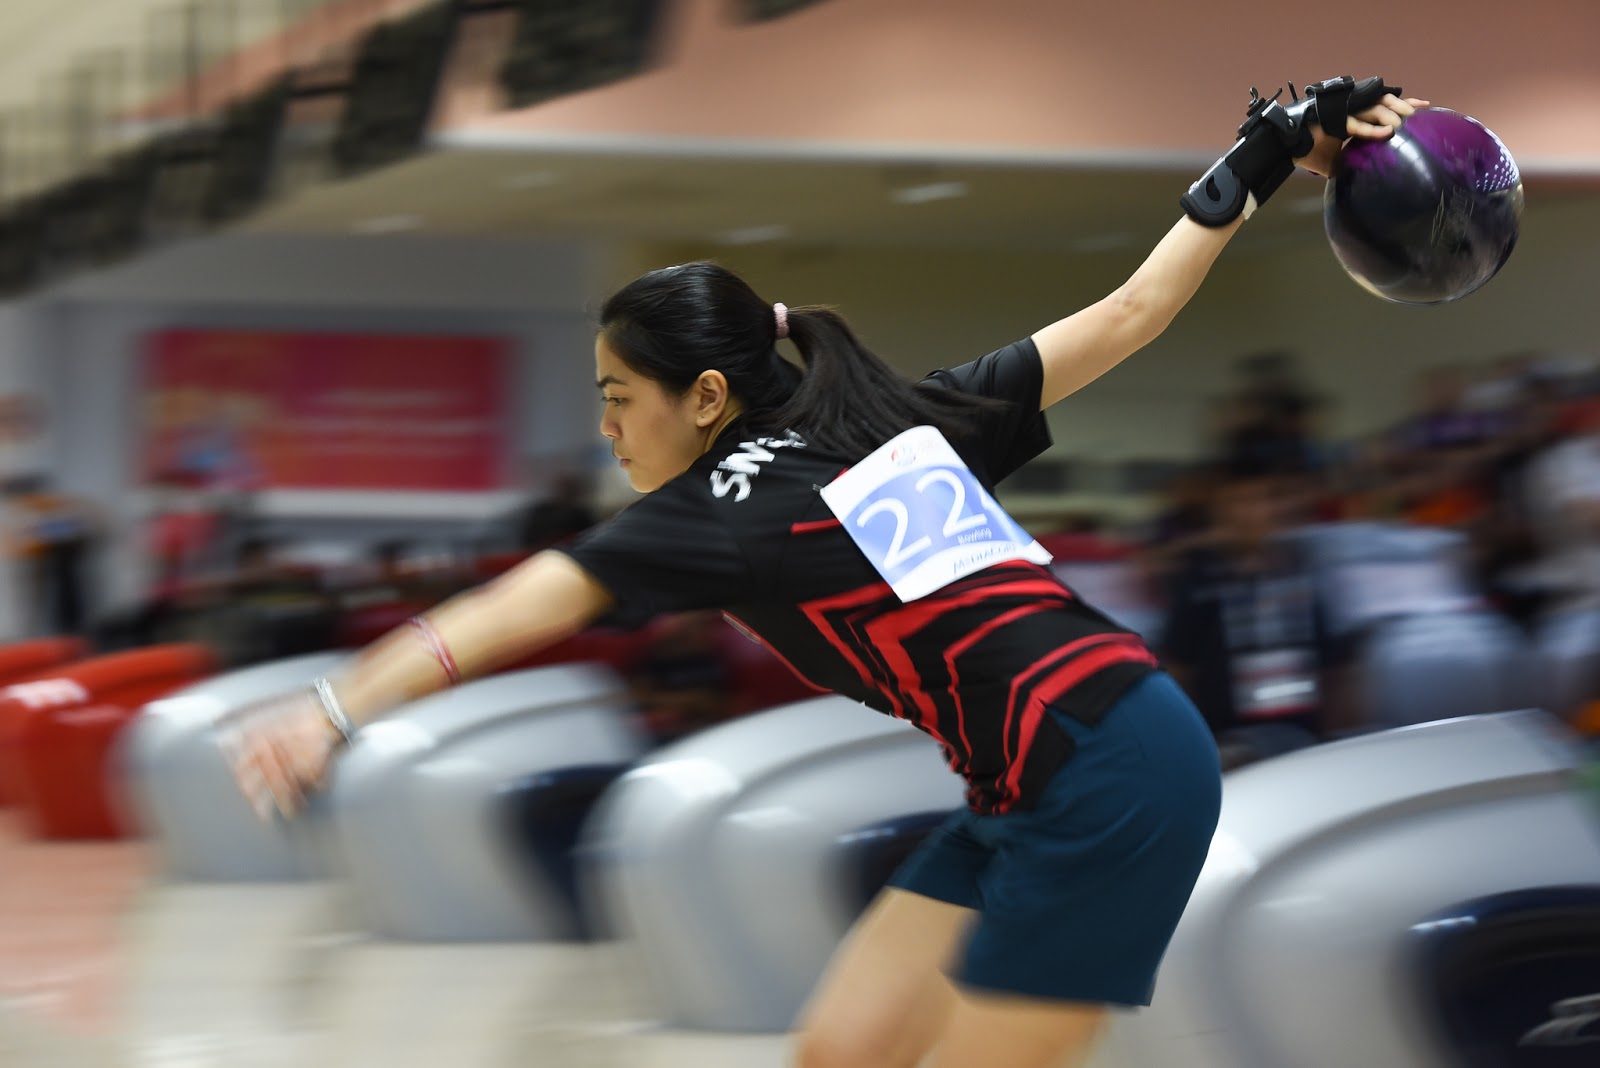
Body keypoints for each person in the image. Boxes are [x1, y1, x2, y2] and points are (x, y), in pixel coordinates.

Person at [221, 80, 1424, 1068]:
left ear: (704, 398)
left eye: (616, 402)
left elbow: (513, 606)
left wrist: (333, 710)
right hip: (1042, 769)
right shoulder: (895, 413)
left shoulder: (727, 506)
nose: (606, 432)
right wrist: (1266, 152)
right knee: (839, 1054)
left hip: (1108, 770)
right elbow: (1131, 312)